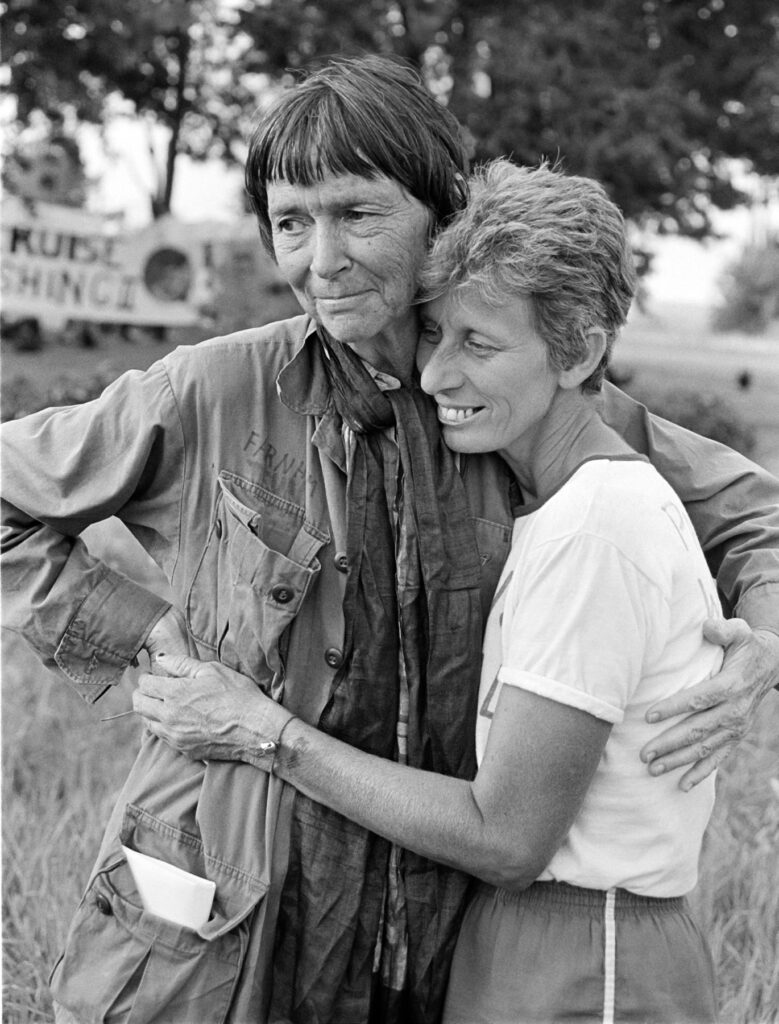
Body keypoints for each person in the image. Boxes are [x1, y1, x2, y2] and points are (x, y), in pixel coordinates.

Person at [1, 55, 777, 1023]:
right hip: (222, 915)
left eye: (357, 213)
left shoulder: (522, 397)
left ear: (439, 213)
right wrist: (134, 634)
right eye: (291, 222)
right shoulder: (211, 389)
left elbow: (757, 520)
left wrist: (762, 646)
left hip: (438, 926)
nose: (320, 259)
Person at [136, 158, 729, 1022]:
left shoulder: (597, 527)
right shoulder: (555, 505)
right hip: (520, 947)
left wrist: (266, 732)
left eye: (477, 345)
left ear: (579, 353)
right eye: (434, 334)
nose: (434, 376)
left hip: (585, 960)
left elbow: (506, 837)